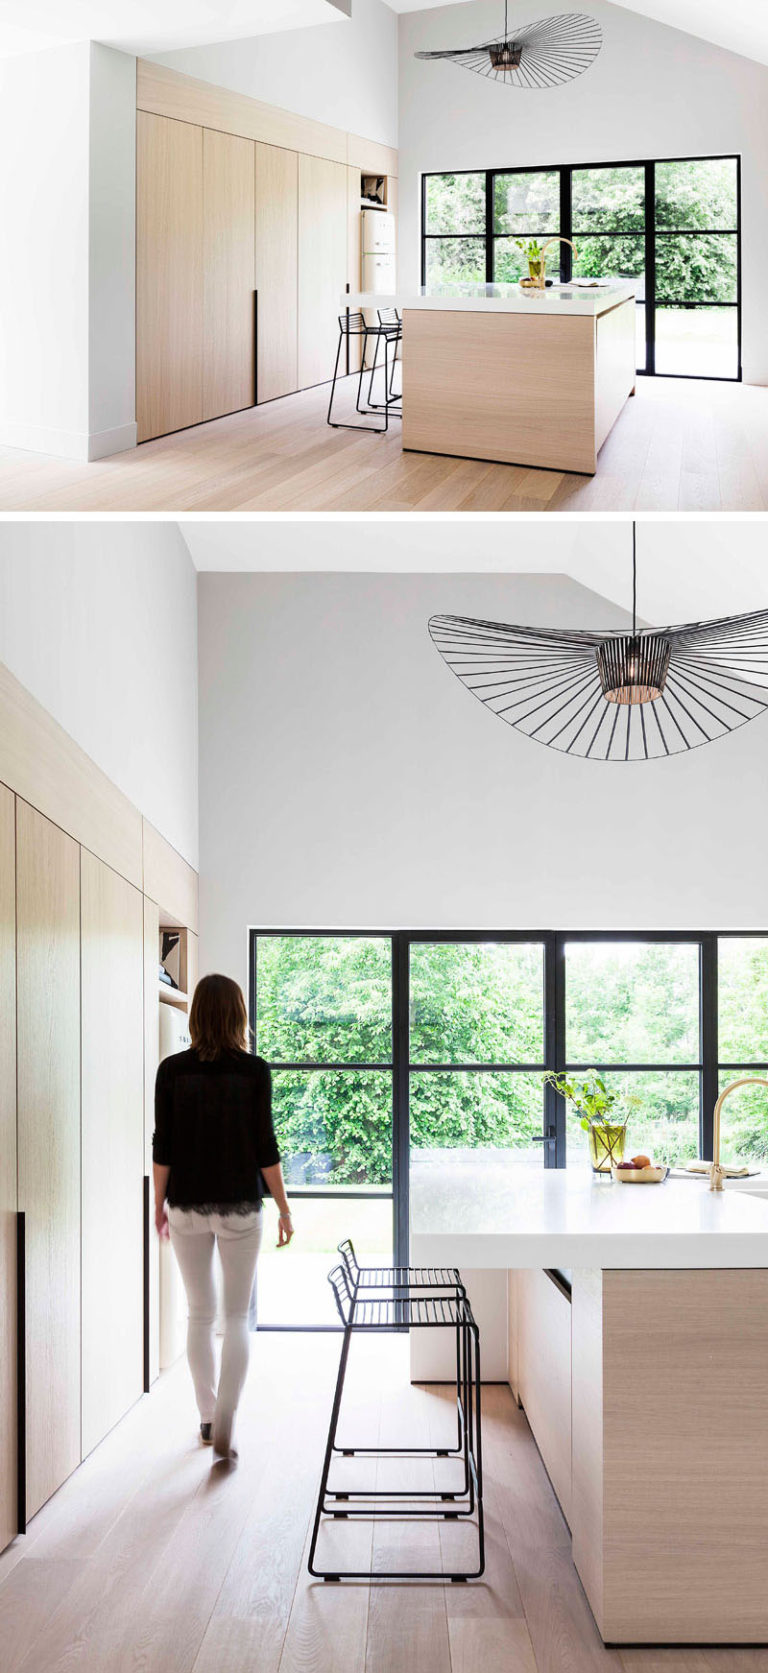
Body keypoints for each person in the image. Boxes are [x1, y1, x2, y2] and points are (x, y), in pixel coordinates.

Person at [152, 972, 293, 1458]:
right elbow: (265, 1148)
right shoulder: (254, 1072)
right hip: (239, 1207)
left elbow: (163, 1146)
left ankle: (208, 1419)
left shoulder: (171, 1071)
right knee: (236, 1316)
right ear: (238, 1015)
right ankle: (228, 1416)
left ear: (195, 1017)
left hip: (187, 1205)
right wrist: (284, 1208)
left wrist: (158, 1205)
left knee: (199, 1314)